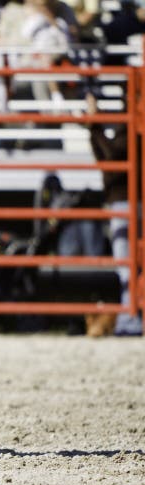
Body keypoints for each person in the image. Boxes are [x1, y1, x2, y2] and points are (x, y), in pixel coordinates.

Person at [84, 92, 142, 336]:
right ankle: (132, 316)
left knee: (127, 262)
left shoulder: (132, 129)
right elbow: (105, 159)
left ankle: (132, 318)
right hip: (123, 200)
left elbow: (110, 155)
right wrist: (93, 126)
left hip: (127, 201)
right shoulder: (128, 128)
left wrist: (94, 122)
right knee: (127, 262)